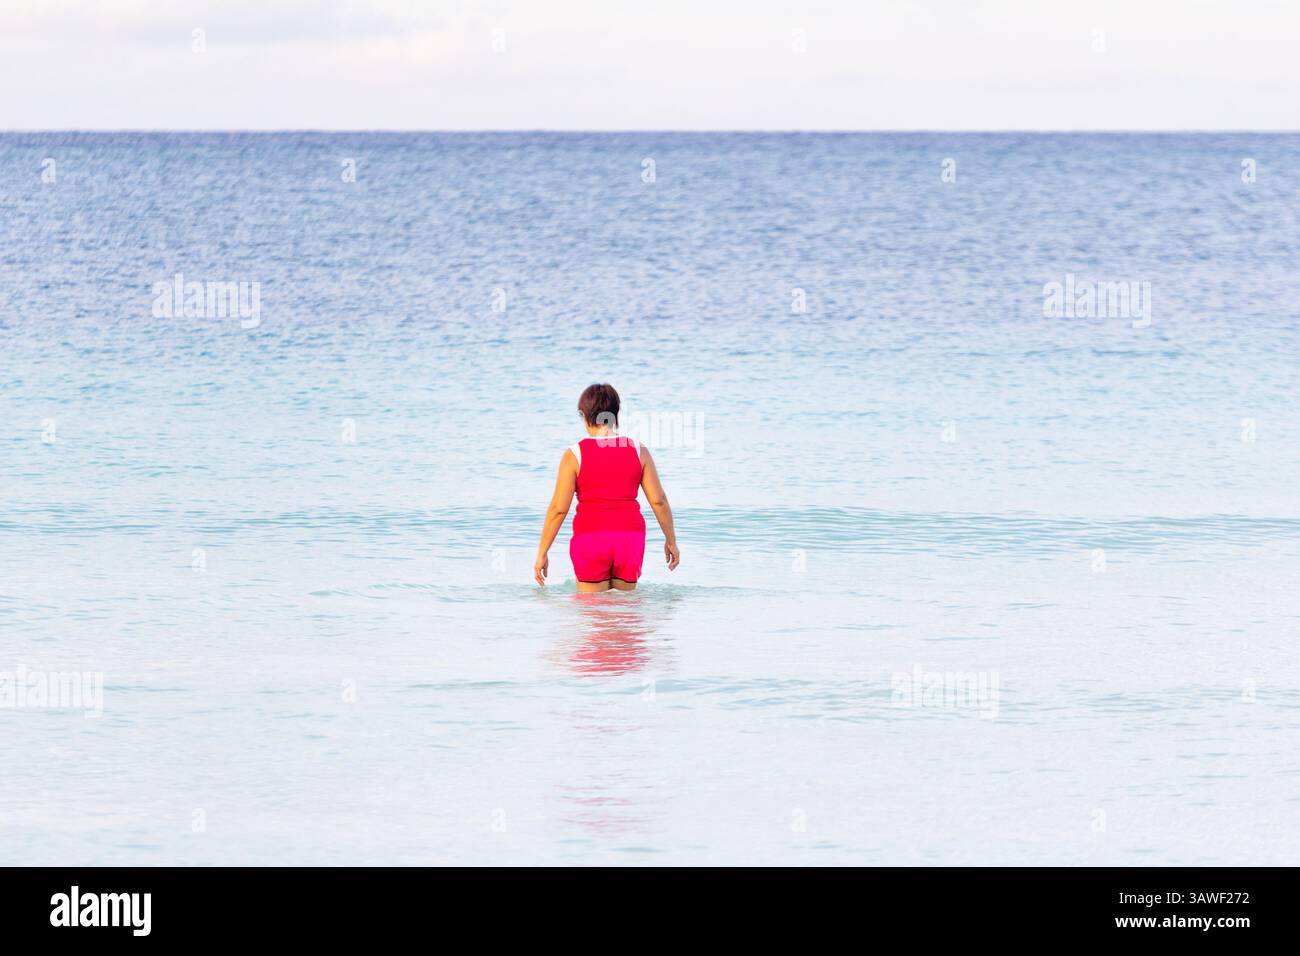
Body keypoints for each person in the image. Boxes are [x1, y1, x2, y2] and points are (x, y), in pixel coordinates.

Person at [534, 383, 680, 591]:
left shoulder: (574, 455)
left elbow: (559, 508)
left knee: (594, 614)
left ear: (584, 415)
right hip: (629, 538)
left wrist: (542, 552)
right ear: (615, 413)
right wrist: (671, 540)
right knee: (625, 613)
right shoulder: (639, 451)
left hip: (590, 539)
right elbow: (658, 500)